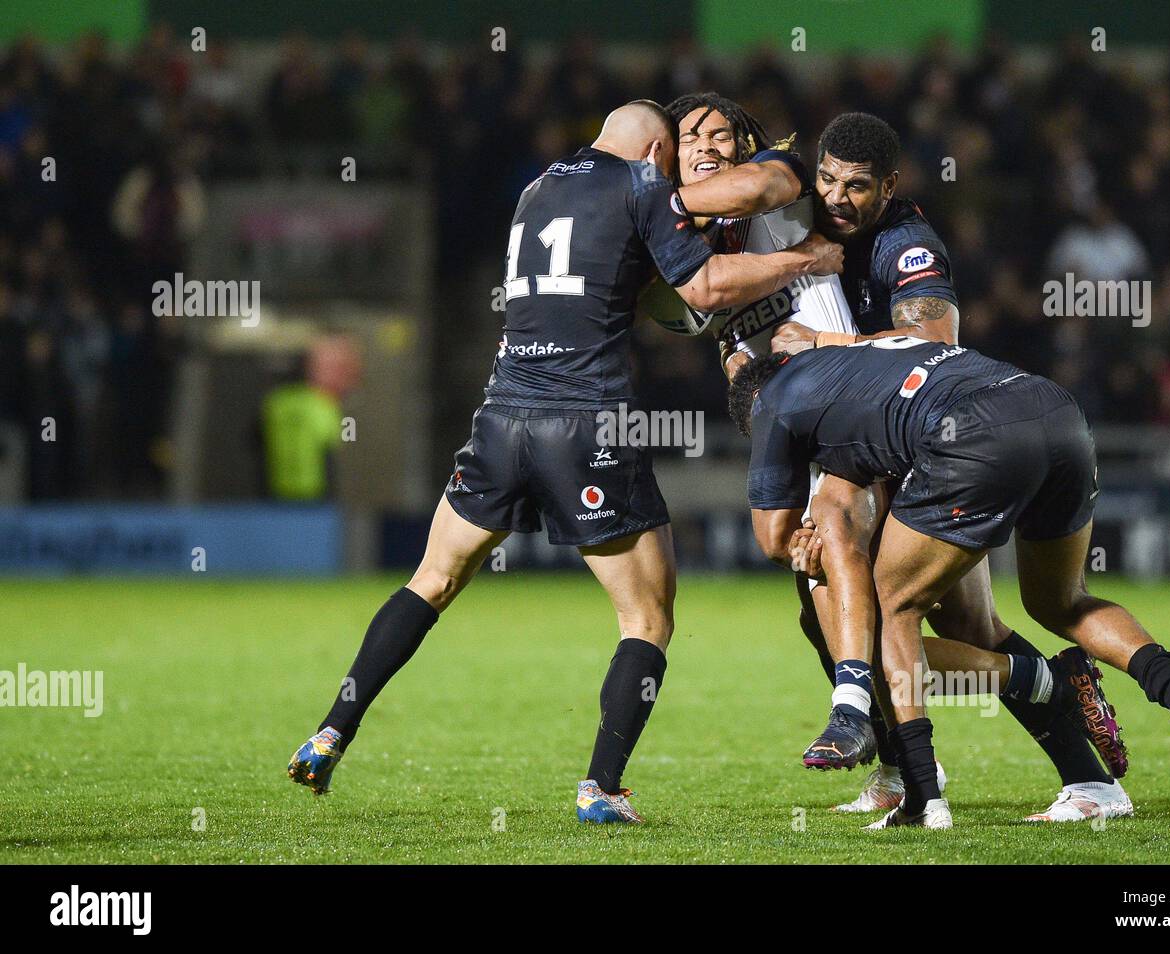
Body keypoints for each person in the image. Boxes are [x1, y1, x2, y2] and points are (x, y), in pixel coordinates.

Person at [286, 101, 844, 824]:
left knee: (431, 579)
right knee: (647, 617)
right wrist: (806, 258)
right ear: (653, 153)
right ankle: (601, 788)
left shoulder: (538, 188)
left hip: (501, 415)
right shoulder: (645, 185)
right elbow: (703, 289)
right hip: (586, 422)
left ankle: (330, 730)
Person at [678, 106, 1131, 821]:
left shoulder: (782, 187)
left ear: (747, 146)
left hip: (885, 428)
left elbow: (931, 332)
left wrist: (663, 194)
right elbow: (720, 325)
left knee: (862, 609)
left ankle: (1010, 709)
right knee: (898, 620)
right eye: (689, 141)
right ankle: (1017, 753)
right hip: (825, 421)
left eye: (719, 137)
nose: (706, 149)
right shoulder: (702, 241)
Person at [730, 336, 1170, 829]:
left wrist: (800, 547)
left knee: (888, 609)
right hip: (1055, 411)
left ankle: (923, 796)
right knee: (1062, 601)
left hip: (970, 436)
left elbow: (774, 537)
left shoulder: (772, 401)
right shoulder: (850, 360)